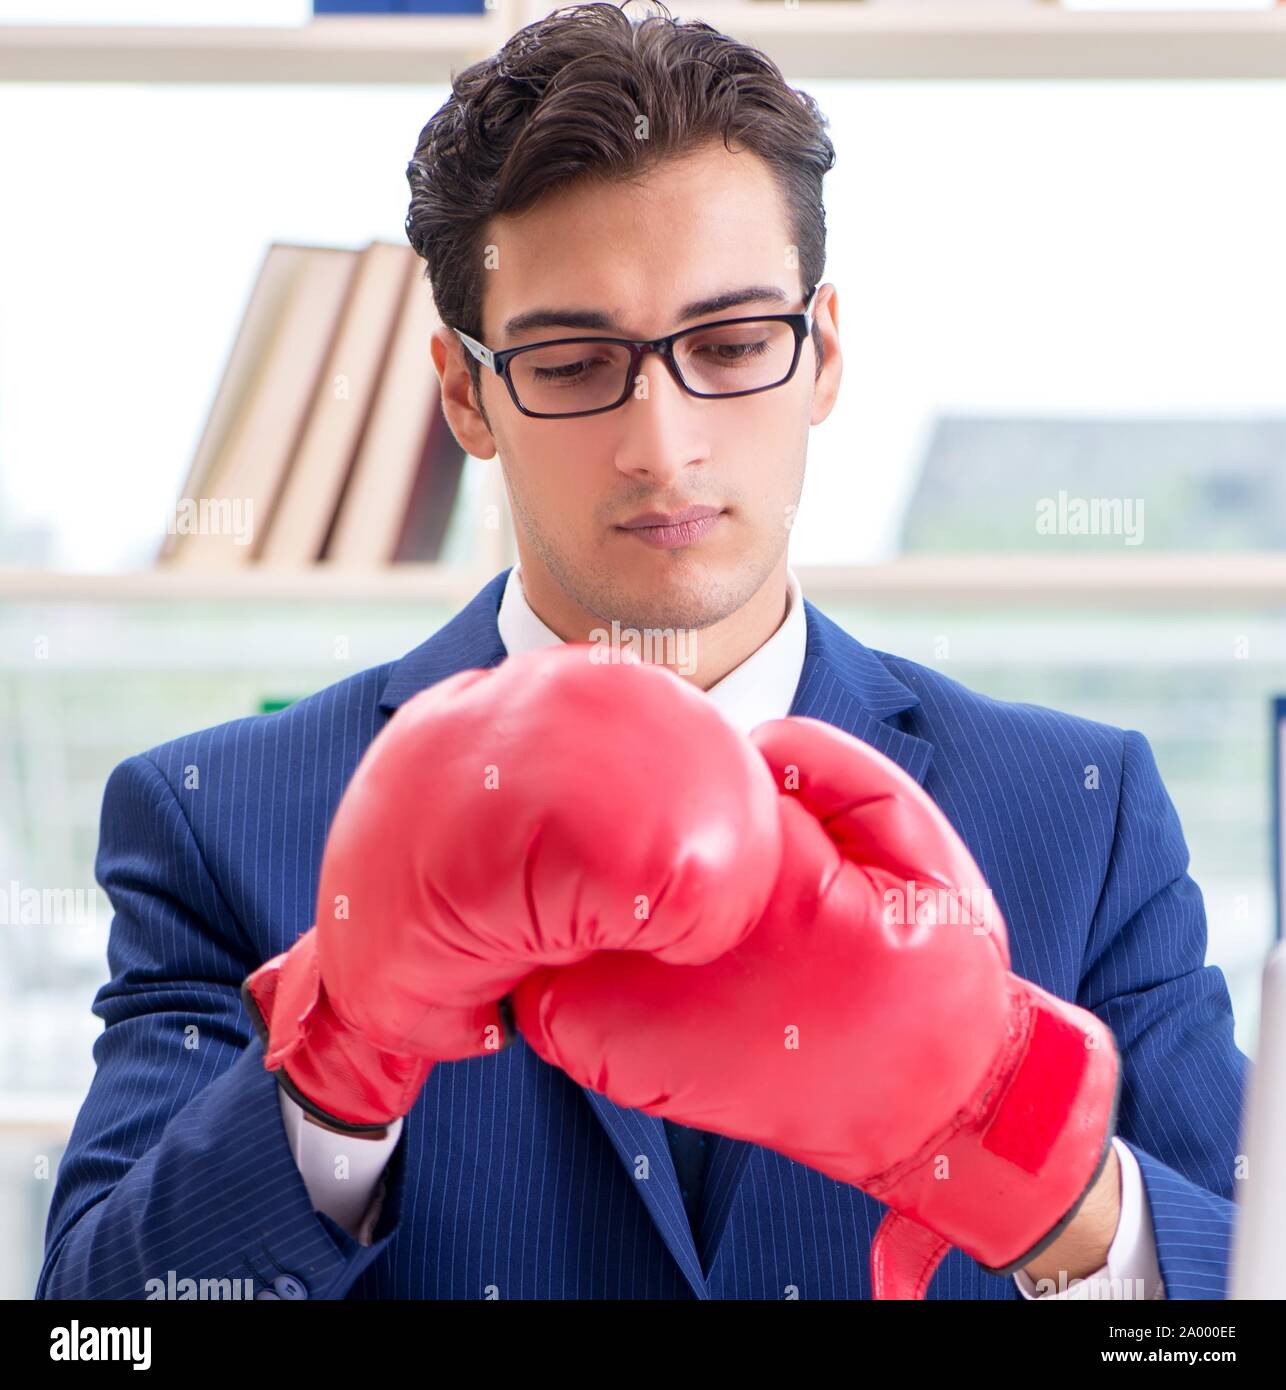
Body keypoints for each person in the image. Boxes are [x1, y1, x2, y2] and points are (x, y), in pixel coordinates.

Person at [38, 1, 1246, 1301]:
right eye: (571, 362)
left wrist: (1046, 1184)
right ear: (465, 394)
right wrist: (331, 1079)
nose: (660, 444)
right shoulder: (225, 819)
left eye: (728, 346)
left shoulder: (1081, 812)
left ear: (822, 353)